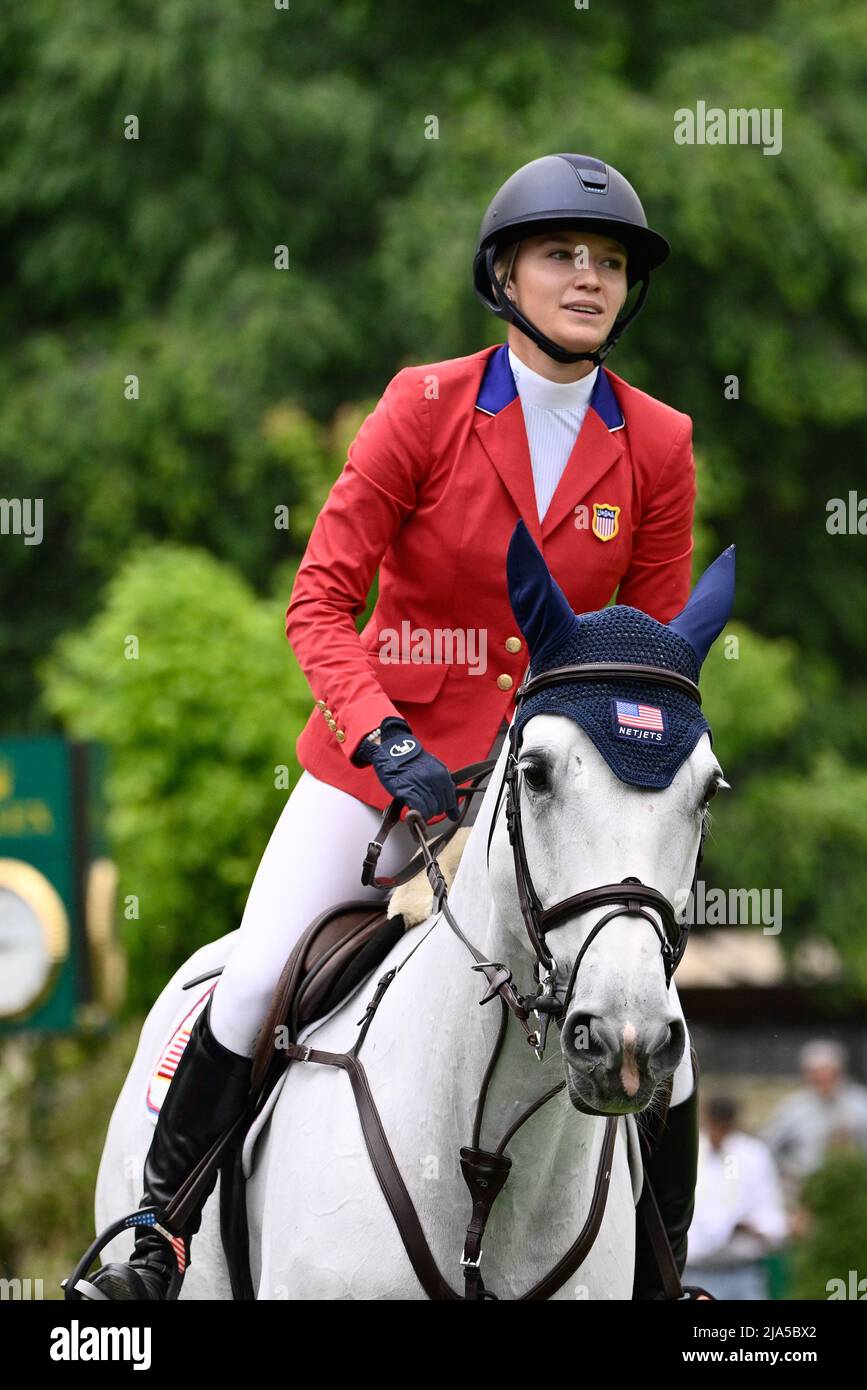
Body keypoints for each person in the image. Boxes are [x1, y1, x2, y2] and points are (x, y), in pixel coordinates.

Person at [91, 153, 704, 1299]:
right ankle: (153, 1246)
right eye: (563, 254)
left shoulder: (658, 442)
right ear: (504, 273)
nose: (589, 277)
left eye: (610, 261)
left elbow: (648, 652)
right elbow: (318, 602)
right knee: (259, 968)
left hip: (546, 791)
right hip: (382, 766)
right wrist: (386, 741)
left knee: (661, 1024)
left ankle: (666, 1279)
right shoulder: (423, 405)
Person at [684, 1095, 788, 1299]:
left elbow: (768, 1206)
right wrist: (724, 1227)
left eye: (724, 1127)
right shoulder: (692, 1150)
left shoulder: (751, 1154)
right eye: (715, 1125)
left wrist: (756, 1226)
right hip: (697, 1272)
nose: (719, 1133)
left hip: (743, 1271)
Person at [761, 1039, 867, 1202]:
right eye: (816, 1074)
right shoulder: (793, 1107)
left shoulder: (860, 1103)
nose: (823, 1079)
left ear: (839, 1072)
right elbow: (766, 1146)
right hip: (804, 1191)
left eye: (828, 1073)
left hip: (853, 1190)